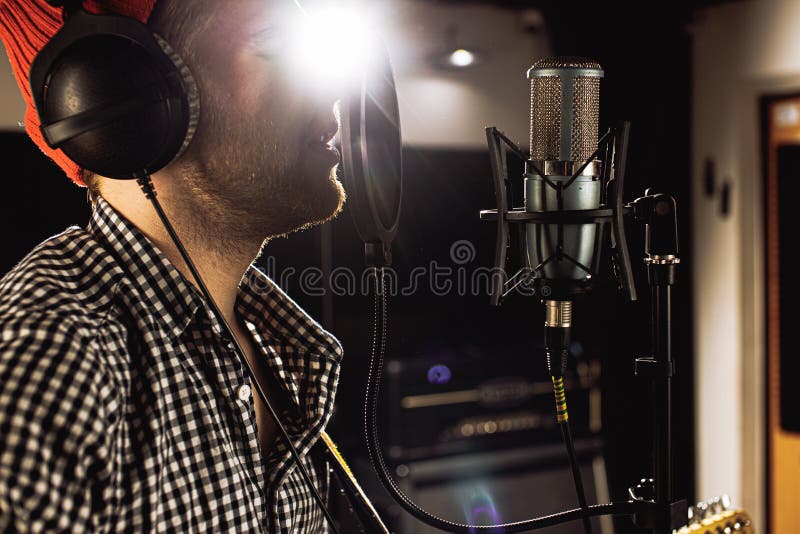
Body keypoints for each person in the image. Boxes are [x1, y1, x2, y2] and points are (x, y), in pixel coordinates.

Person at [0, 0, 346, 531]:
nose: (333, 91)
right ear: (119, 92)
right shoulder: (48, 362)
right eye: (275, 43)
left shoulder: (279, 351)